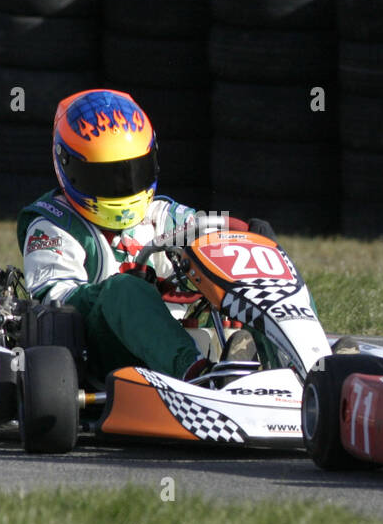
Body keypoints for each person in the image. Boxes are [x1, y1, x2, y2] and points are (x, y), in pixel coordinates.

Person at [17, 88, 274, 383]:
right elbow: (55, 301)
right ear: (69, 167)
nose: (125, 186)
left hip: (176, 336)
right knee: (125, 289)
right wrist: (123, 293)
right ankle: (201, 378)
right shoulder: (52, 225)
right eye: (107, 176)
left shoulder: (160, 213)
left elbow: (204, 225)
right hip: (101, 356)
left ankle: (294, 364)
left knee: (258, 247)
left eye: (134, 171)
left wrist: (243, 232)